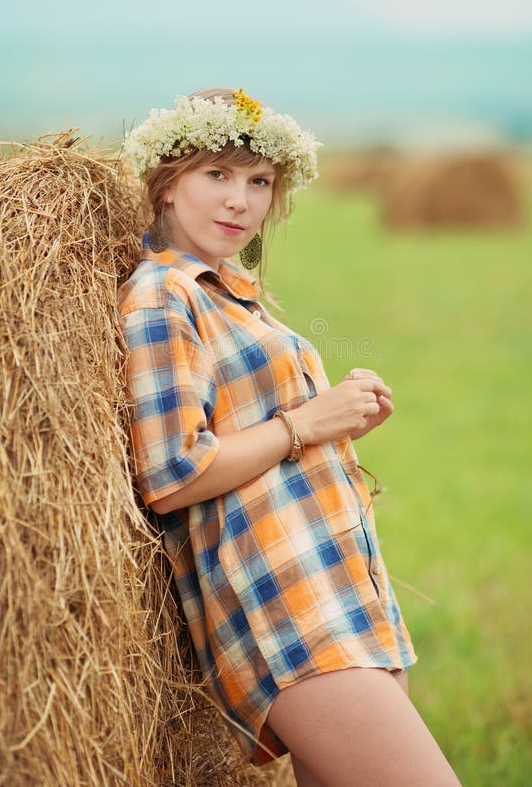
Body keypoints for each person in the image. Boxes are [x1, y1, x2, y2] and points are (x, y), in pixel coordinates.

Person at [117, 87, 461, 786]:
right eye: (216, 175)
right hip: (284, 603)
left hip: (339, 586)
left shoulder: (229, 291)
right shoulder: (162, 295)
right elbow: (171, 472)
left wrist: (340, 416)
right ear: (166, 181)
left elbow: (275, 435)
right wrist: (305, 422)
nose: (239, 200)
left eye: (259, 182)